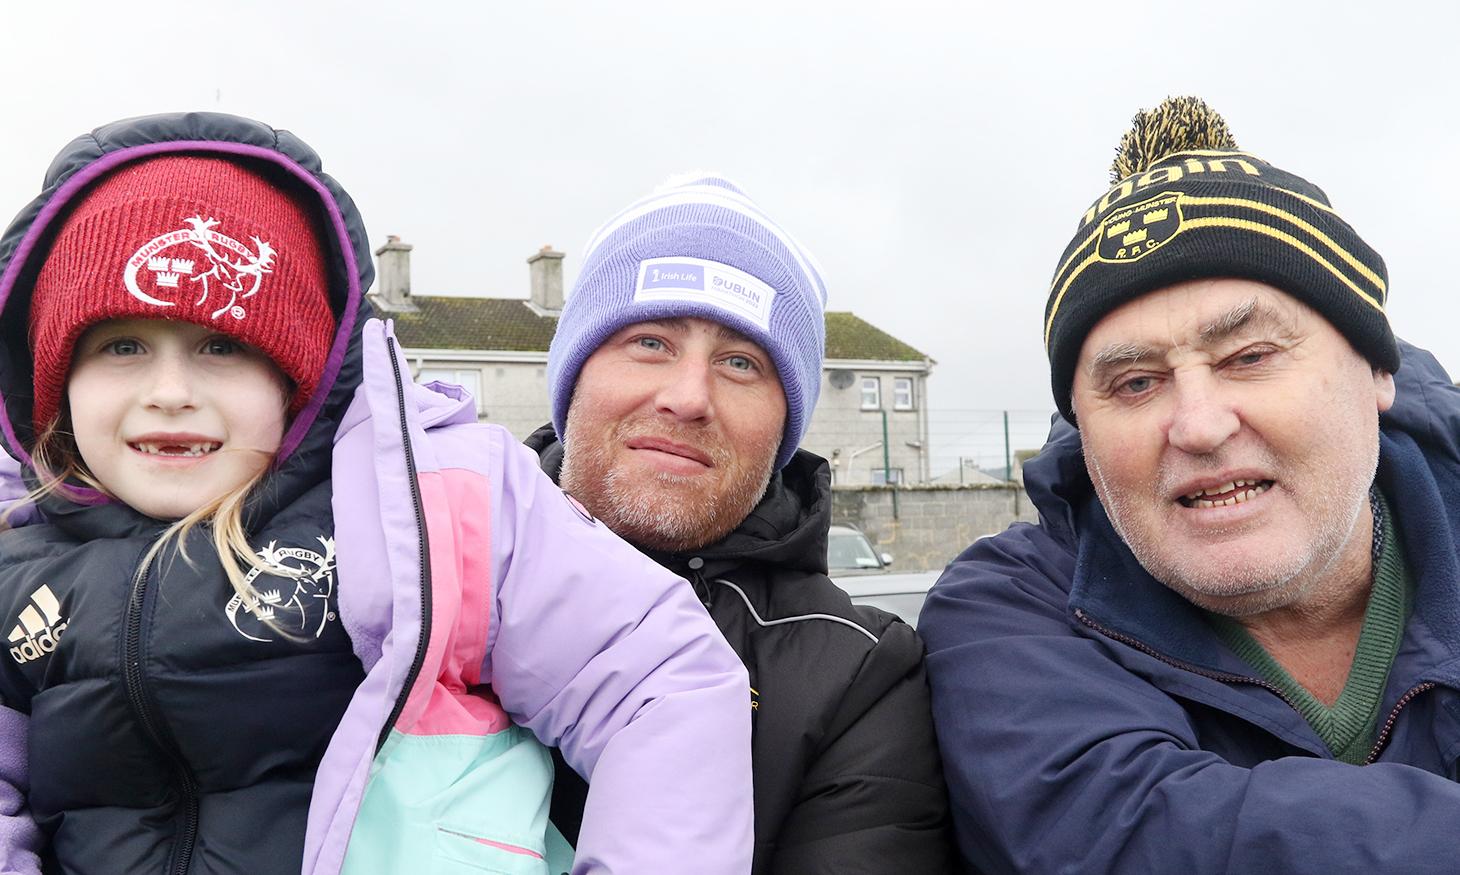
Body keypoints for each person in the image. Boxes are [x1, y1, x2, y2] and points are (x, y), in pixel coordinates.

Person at [0, 113, 753, 874]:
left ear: (298, 376)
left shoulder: (430, 507)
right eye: (122, 346)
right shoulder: (17, 559)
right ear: (56, 380)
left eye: (221, 345)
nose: (169, 392)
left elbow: (659, 682)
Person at [921, 95, 1460, 873]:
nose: (1199, 425)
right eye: (1136, 383)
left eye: (1250, 356)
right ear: (1083, 428)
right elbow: (1129, 836)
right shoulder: (1008, 611)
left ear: (1377, 369)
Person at [527, 174, 955, 873]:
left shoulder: (860, 673)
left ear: (785, 425)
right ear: (573, 376)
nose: (688, 397)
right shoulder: (415, 584)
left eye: (739, 362)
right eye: (650, 341)